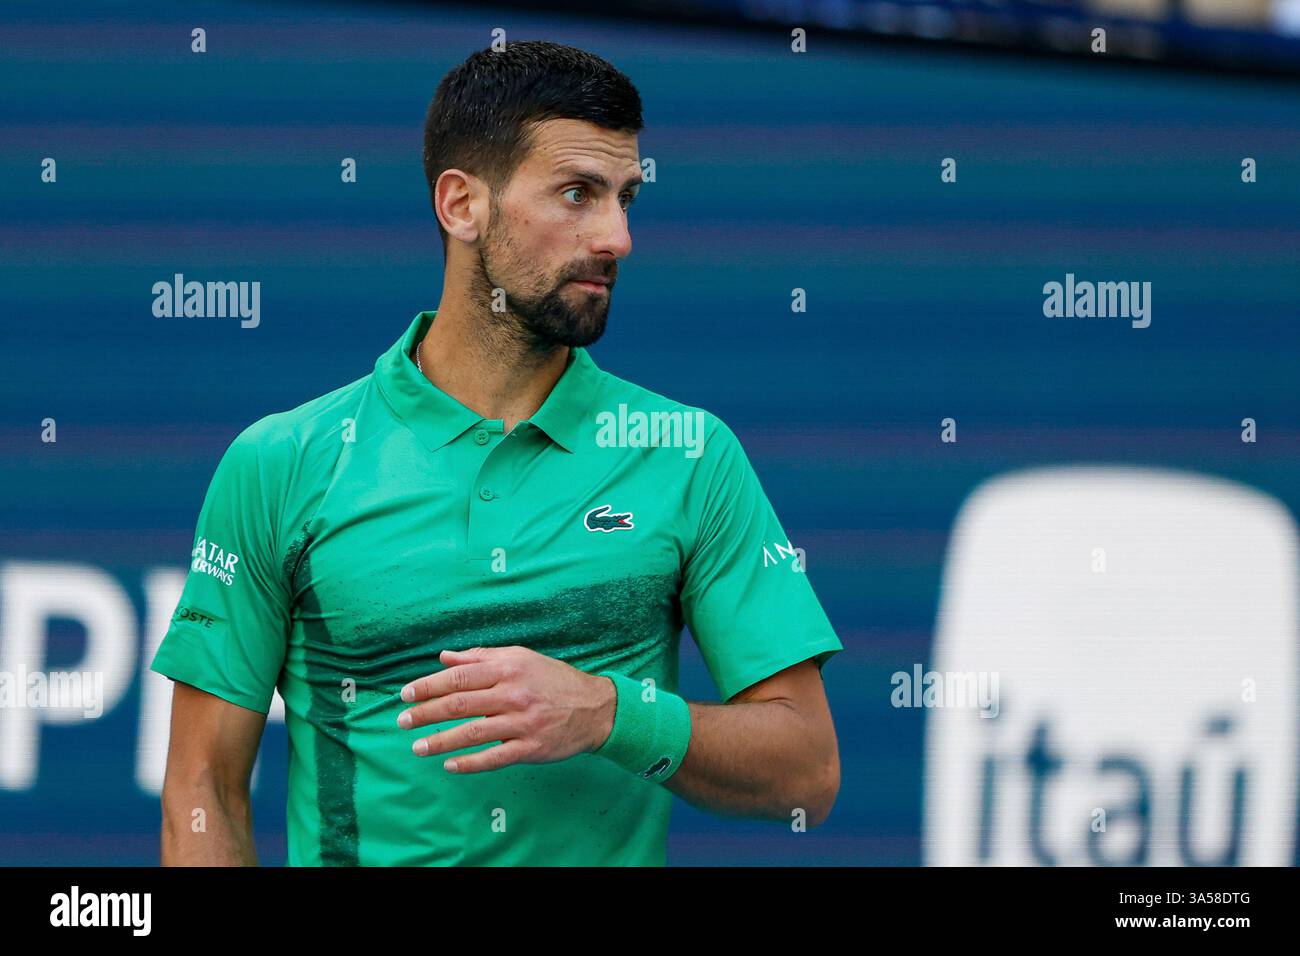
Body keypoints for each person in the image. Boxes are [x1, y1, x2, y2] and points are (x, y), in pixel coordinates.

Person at [152, 39, 843, 866]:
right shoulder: (280, 463)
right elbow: (203, 788)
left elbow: (808, 770)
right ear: (461, 206)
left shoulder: (691, 455)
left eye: (627, 197)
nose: (617, 236)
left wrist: (606, 712)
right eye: (577, 195)